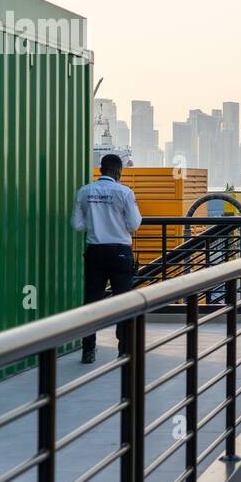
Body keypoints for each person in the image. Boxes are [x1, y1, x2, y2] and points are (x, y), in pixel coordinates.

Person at [72, 154, 142, 363]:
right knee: (123, 302)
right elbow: (133, 224)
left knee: (92, 302)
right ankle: (124, 349)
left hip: (95, 251)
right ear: (118, 171)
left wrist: (96, 225)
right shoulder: (124, 192)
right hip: (120, 252)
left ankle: (89, 350)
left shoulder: (85, 191)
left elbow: (77, 225)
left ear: (101, 169)